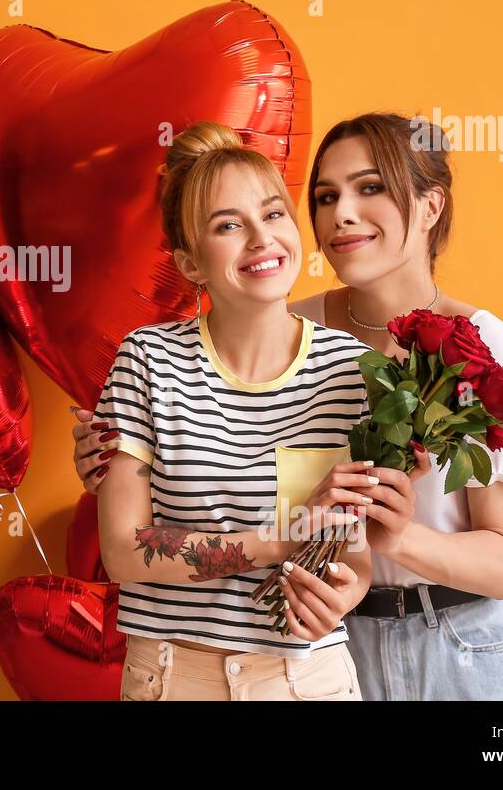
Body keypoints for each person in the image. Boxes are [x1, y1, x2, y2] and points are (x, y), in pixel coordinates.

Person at [77, 112, 503, 700]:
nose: (342, 214)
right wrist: (122, 450)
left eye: (370, 187)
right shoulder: (288, 328)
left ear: (431, 207)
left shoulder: (465, 353)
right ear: (191, 262)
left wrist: (387, 539)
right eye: (326, 196)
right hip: (335, 644)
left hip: (454, 639)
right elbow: (152, 522)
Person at [94, 121, 402, 701]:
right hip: (171, 680)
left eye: (274, 213)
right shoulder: (148, 361)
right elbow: (125, 551)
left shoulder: (354, 371)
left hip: (308, 683)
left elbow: (350, 552)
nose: (262, 238)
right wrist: (278, 541)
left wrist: (343, 594)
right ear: (189, 265)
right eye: (229, 225)